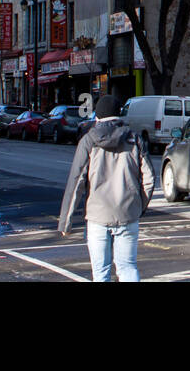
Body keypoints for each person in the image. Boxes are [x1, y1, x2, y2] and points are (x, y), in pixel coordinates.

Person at [59, 95, 153, 282]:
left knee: (101, 272)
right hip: (127, 214)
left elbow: (76, 182)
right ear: (118, 115)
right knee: (128, 267)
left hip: (97, 215)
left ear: (97, 117)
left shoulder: (88, 141)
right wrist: (138, 206)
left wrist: (66, 222)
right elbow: (149, 178)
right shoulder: (135, 139)